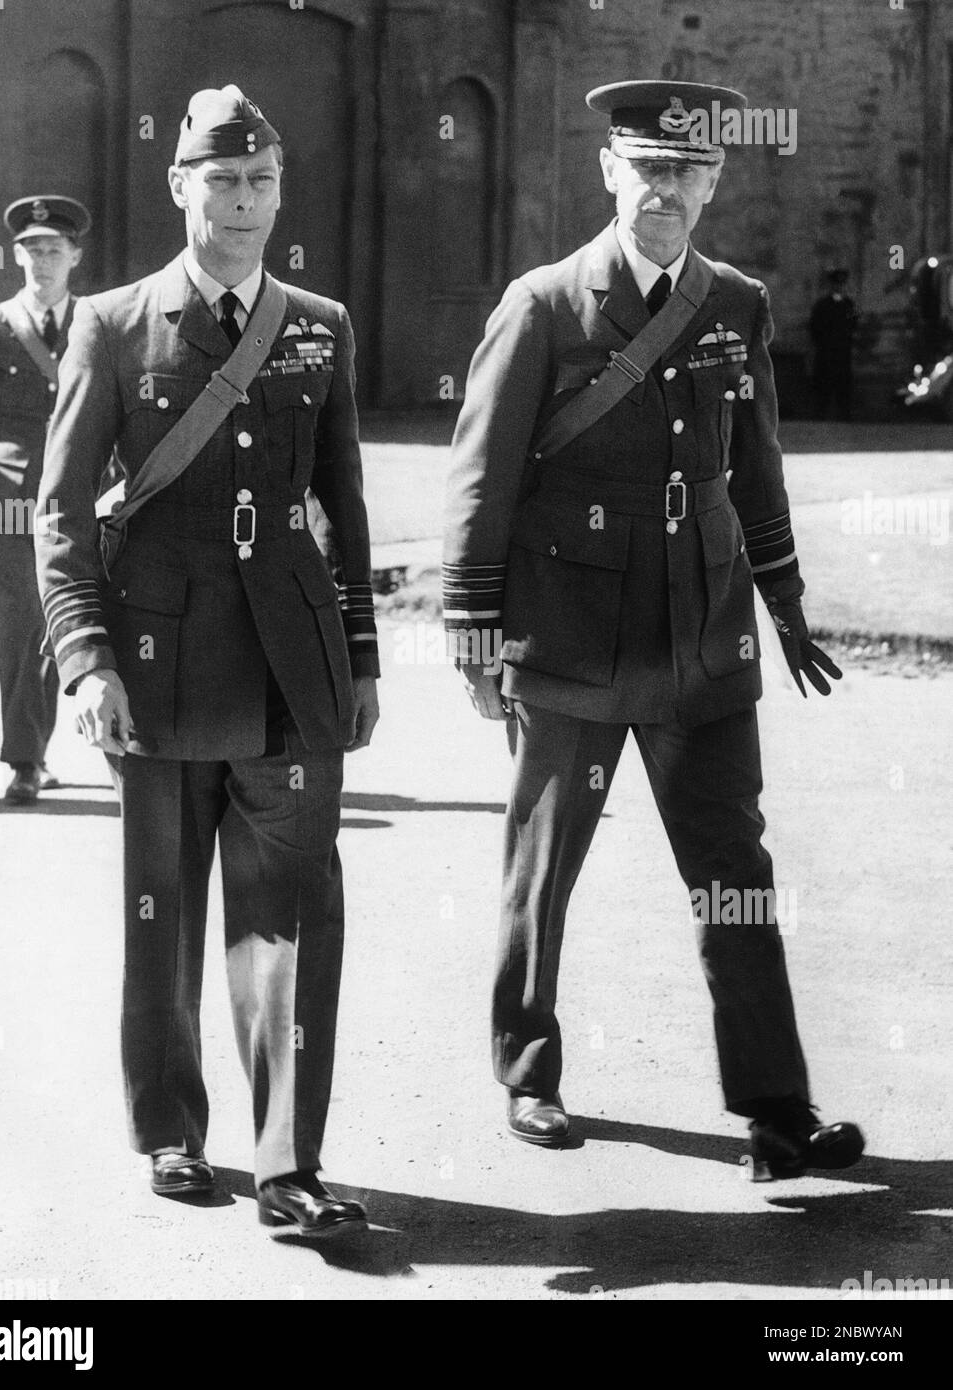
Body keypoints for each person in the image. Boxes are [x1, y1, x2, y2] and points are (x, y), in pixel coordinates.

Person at [442, 80, 864, 1181]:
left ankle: (778, 1106)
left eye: (685, 174)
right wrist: (473, 627)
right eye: (646, 170)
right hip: (571, 632)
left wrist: (786, 602)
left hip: (704, 636)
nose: (664, 191)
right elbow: (481, 482)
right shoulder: (542, 305)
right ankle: (528, 1072)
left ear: (714, 182)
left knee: (736, 868)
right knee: (545, 864)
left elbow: (756, 465)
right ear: (607, 172)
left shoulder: (738, 303)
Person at [35, 86, 380, 1235]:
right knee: (165, 913)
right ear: (179, 185)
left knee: (289, 918)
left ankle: (288, 1160)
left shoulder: (319, 322)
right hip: (158, 665)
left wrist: (364, 657)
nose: (243, 202)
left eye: (262, 182)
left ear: (282, 192)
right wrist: (87, 662)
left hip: (292, 670)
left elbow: (345, 500)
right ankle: (173, 1130)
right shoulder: (113, 323)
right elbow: (61, 512)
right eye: (221, 181)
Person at [0, 196, 90, 804]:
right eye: (32, 249)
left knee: (68, 622)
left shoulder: (96, 322)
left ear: (75, 257)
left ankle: (46, 745)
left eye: (54, 249)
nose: (42, 261)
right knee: (18, 623)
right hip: (5, 498)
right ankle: (22, 758)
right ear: (16, 256)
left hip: (77, 495)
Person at [809, 268, 858, 420]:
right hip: (827, 350)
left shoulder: (848, 304)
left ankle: (843, 413)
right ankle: (821, 413)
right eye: (837, 284)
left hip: (842, 351)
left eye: (841, 284)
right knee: (824, 383)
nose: (839, 287)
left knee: (842, 384)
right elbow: (815, 326)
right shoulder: (823, 305)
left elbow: (853, 324)